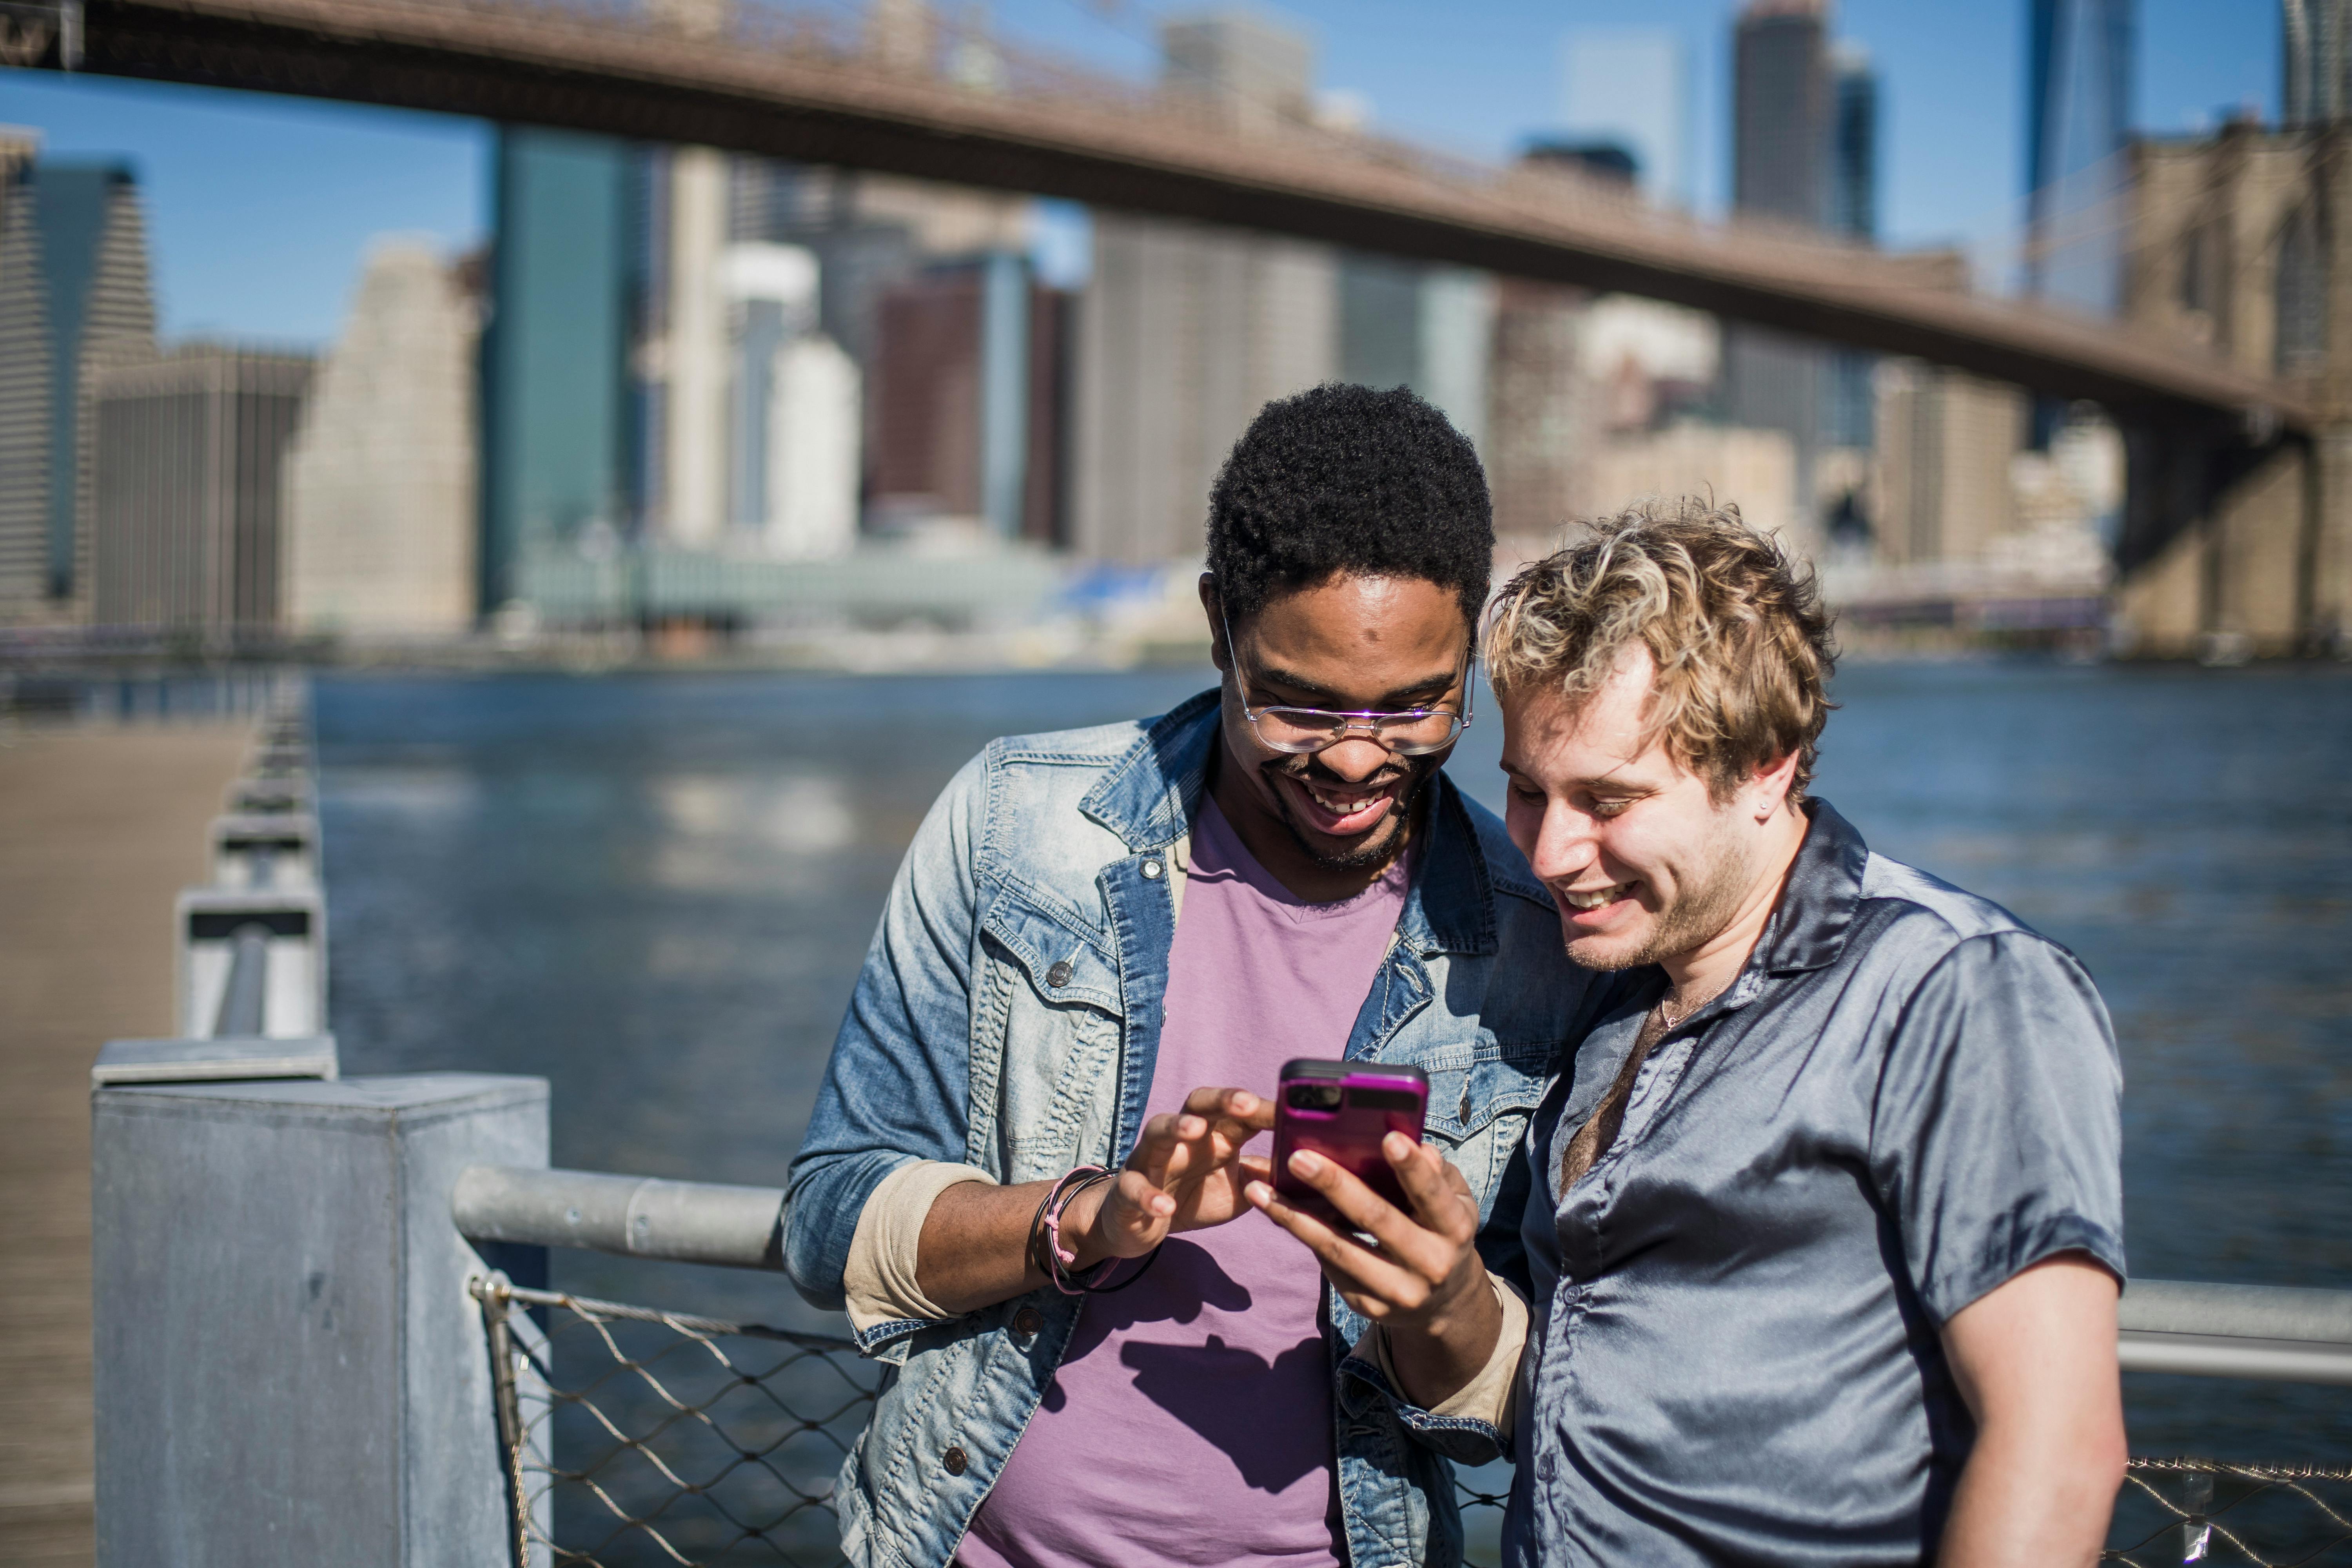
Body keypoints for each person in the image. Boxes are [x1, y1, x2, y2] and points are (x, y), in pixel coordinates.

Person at [784, 384, 1596, 1568]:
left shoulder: (1541, 939)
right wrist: (1084, 1220)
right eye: (1300, 704)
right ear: (1219, 626)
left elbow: (1538, 1401)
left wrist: (1444, 1307)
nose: (1360, 757)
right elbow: (829, 1218)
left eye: (1416, 706)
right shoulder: (1015, 827)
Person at [1250, 502, 2129, 1566]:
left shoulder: (1956, 991)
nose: (1554, 853)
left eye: (1609, 800)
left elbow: (2058, 1448)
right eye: (1528, 793)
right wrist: (1445, 1303)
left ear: (1766, 767)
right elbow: (1586, 1408)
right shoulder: (1614, 991)